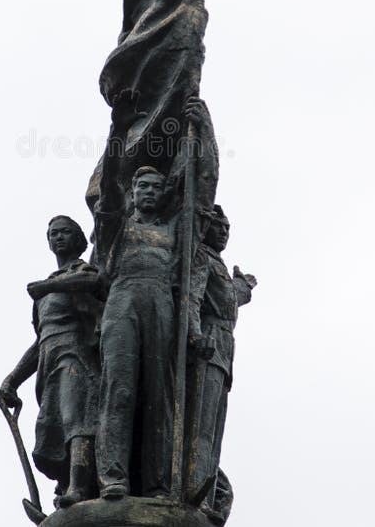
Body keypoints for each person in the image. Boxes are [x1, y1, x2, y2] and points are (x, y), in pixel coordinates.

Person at [93, 90, 218, 499]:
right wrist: (116, 130)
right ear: (133, 194)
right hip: (122, 303)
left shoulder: (173, 233)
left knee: (159, 397)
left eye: (154, 186)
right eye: (141, 186)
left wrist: (205, 131)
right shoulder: (115, 229)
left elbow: (202, 192)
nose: (147, 191)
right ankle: (113, 476)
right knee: (121, 388)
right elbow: (109, 188)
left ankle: (160, 484)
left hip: (162, 304)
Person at [0, 216, 103, 507]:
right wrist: (12, 380)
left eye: (65, 232)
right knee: (51, 429)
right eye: (53, 234)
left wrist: (48, 288)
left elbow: (94, 280)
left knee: (77, 421)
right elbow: (39, 341)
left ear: (79, 239)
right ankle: (66, 485)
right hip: (49, 362)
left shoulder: (79, 271)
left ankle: (79, 488)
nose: (58, 238)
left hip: (76, 356)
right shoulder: (45, 289)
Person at [187, 205, 256, 524]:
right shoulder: (201, 255)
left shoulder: (219, 263)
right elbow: (194, 297)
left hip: (224, 346)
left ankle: (208, 490)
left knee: (214, 426)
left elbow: (227, 300)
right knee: (201, 425)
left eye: (228, 227)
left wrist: (244, 288)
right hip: (209, 342)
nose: (224, 232)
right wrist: (195, 334)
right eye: (218, 226)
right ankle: (195, 491)